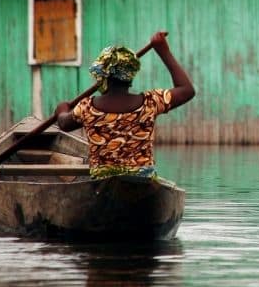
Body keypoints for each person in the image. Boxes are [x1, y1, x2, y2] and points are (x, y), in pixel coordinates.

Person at [56, 31, 195, 179]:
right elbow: (187, 90)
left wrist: (62, 109)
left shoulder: (87, 107)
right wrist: (163, 52)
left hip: (102, 180)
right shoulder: (151, 102)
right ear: (130, 76)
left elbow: (64, 123)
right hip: (143, 179)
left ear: (103, 76)